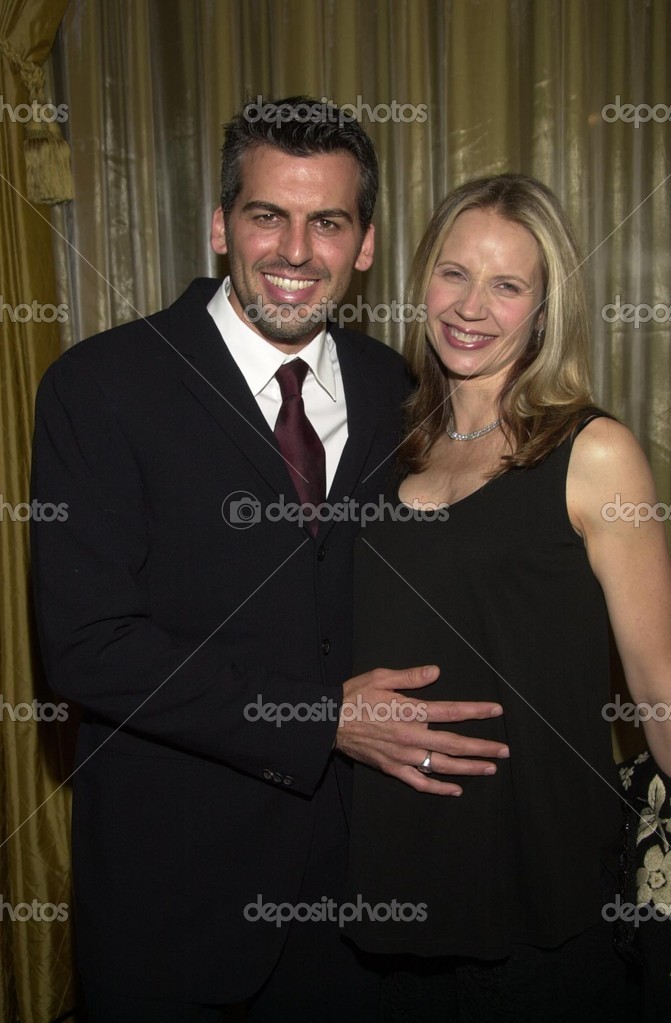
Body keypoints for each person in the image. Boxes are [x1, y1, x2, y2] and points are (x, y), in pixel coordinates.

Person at [30, 98, 509, 1023]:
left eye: (326, 221)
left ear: (364, 244)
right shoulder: (102, 387)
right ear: (220, 226)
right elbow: (90, 648)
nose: (294, 251)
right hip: (170, 914)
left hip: (360, 914)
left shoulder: (398, 391)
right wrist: (321, 717)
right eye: (266, 216)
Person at [346, 173, 671, 1022]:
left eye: (507, 284)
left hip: (539, 898)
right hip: (384, 896)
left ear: (544, 306)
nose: (470, 305)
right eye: (453, 272)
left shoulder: (593, 452)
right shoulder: (382, 444)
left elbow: (657, 683)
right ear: (420, 279)